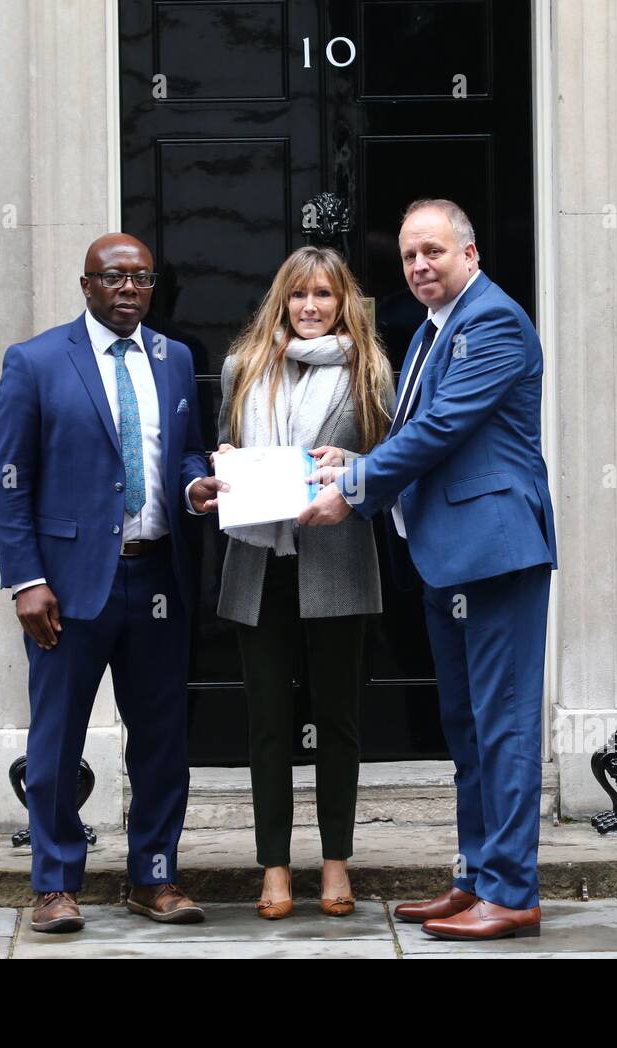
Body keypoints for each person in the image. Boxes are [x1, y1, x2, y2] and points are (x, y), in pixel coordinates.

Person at [301, 200, 558, 941]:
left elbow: (446, 428)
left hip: (497, 552)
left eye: (433, 252)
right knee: (468, 725)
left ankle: (512, 892)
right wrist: (357, 462)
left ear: (470, 255)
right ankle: (476, 876)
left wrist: (353, 491)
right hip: (449, 554)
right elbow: (419, 432)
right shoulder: (429, 332)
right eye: (410, 255)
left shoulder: (494, 322)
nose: (419, 266)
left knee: (503, 725)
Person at [0, 233, 226, 933]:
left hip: (158, 575)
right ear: (86, 284)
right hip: (66, 586)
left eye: (142, 278)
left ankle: (153, 876)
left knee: (161, 739)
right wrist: (26, 578)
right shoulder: (35, 362)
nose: (128, 288)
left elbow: (183, 453)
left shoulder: (175, 359)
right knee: (58, 739)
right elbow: (9, 480)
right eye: (113, 277)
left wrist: (194, 489)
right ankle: (55, 884)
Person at [214, 246, 395, 919]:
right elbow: (219, 449)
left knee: (339, 722)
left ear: (342, 300)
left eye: (323, 294)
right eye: (299, 295)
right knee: (267, 725)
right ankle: (274, 869)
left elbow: (393, 459)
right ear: (281, 301)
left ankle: (337, 864)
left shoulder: (369, 370)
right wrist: (226, 462)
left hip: (337, 561)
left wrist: (353, 461)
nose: (311, 307)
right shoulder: (243, 368)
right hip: (260, 569)